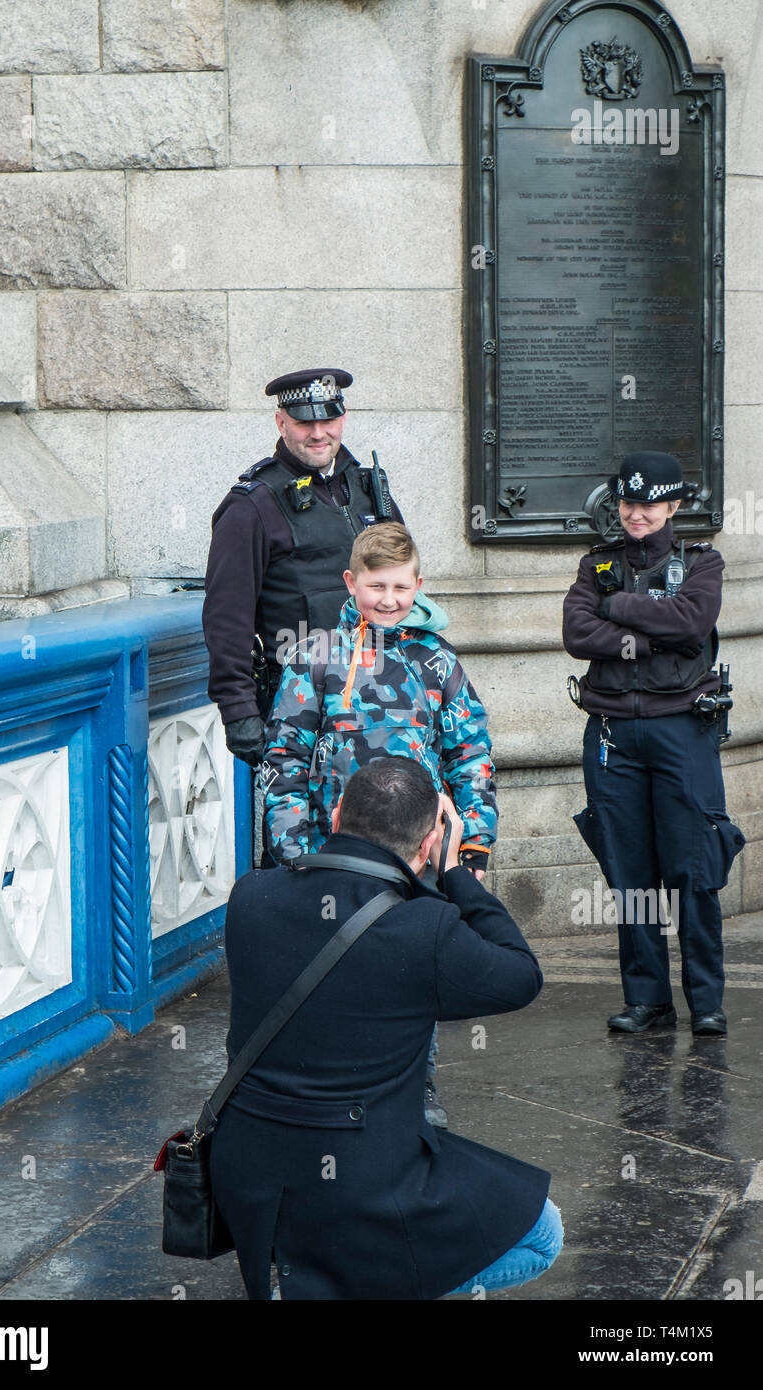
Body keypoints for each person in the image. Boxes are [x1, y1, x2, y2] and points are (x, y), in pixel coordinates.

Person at [210, 757, 562, 1300]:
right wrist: (453, 874)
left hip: (247, 1170)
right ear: (427, 845)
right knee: (543, 1233)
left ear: (334, 817)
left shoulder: (250, 897)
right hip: (361, 1181)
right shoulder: (426, 931)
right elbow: (521, 975)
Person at [260, 521, 497, 1124]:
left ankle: (418, 1091)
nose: (388, 599)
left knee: (410, 970)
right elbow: (283, 756)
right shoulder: (315, 657)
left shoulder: (438, 662)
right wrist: (292, 846)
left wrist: (471, 839)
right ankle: (331, 1092)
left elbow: (470, 753)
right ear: (350, 583)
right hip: (334, 850)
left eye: (400, 586)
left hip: (418, 851)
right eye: (375, 586)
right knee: (331, 970)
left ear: (419, 584)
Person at [562, 451, 745, 1036]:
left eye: (649, 504)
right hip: (614, 732)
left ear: (671, 506)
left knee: (693, 867)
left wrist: (617, 611)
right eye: (628, 503)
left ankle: (706, 1001)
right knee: (630, 872)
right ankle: (648, 1000)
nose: (637, 514)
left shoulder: (702, 561)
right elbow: (576, 632)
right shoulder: (597, 565)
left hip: (682, 729)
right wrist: (644, 635)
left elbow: (692, 623)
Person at [202, 367, 404, 769]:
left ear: (343, 418)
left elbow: (403, 589)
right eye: (303, 422)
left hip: (382, 698)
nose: (318, 434)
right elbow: (227, 617)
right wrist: (238, 709)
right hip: (300, 706)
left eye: (328, 419)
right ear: (281, 422)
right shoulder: (252, 506)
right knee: (300, 828)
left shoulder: (368, 492)